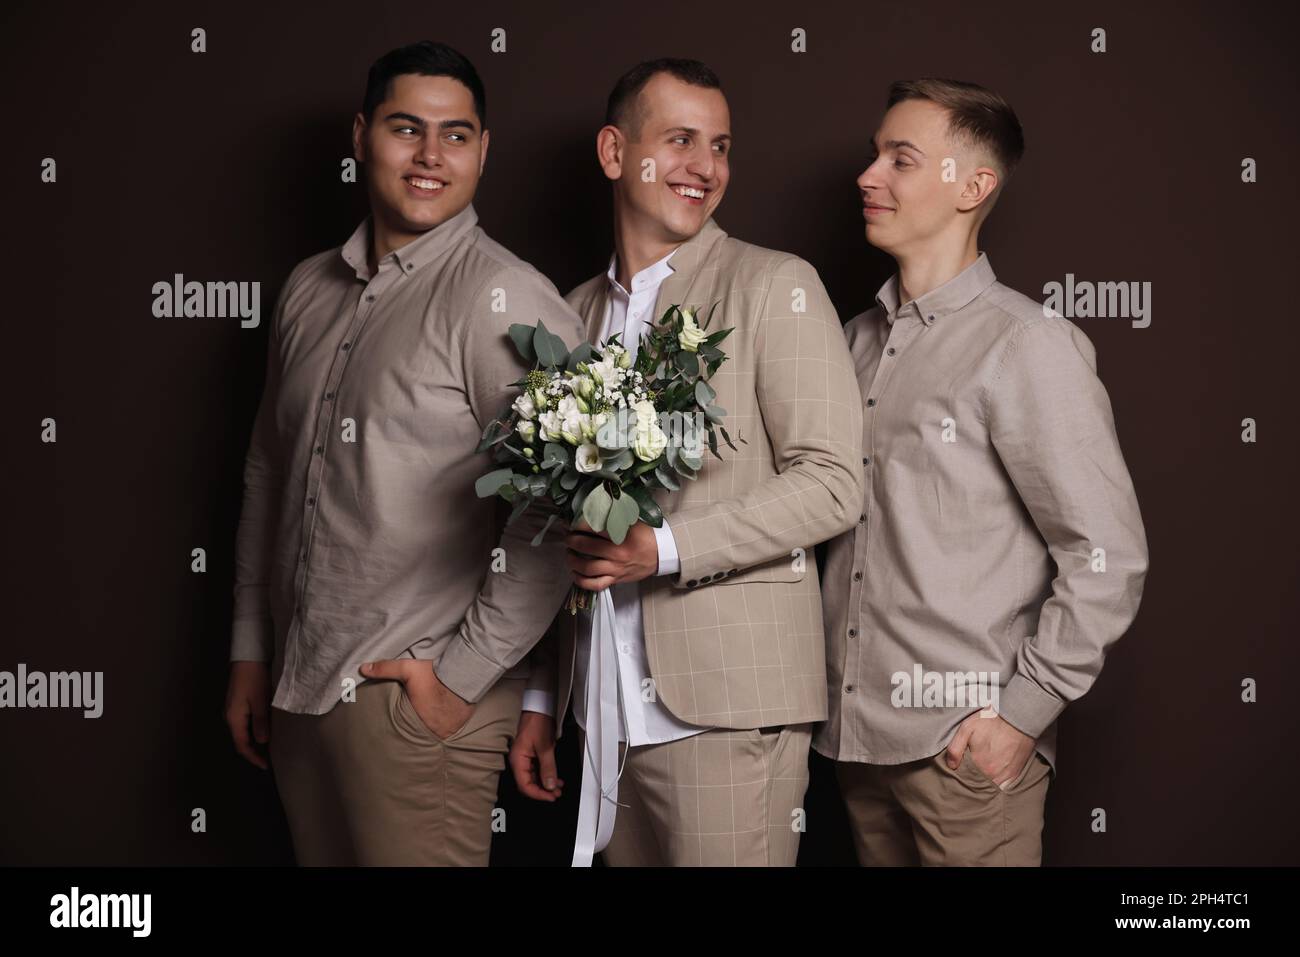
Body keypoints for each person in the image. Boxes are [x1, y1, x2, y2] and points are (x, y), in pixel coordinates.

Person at [223, 40, 585, 866]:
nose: (431, 156)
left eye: (456, 135)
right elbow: (267, 472)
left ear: (484, 151)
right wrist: (251, 649)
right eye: (405, 129)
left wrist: (458, 680)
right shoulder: (306, 289)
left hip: (409, 699)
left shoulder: (504, 298)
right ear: (361, 137)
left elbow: (559, 506)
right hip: (300, 688)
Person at [510, 58, 864, 866]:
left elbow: (836, 481)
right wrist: (541, 693)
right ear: (613, 152)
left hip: (728, 710)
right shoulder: (568, 315)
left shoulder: (776, 285)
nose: (704, 167)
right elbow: (546, 523)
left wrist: (662, 549)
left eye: (720, 146)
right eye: (679, 140)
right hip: (602, 714)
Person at [820, 78, 1149, 865]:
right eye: (874, 155)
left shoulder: (1026, 343)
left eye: (901, 159)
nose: (869, 176)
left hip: (961, 754)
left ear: (973, 186)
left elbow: (1107, 556)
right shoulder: (849, 339)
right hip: (855, 748)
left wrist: (1019, 716)